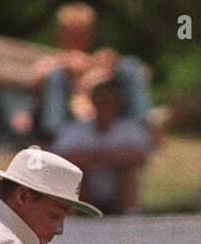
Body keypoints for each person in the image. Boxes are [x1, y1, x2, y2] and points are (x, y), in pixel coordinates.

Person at [0, 2, 153, 146]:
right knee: (55, 76)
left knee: (129, 65)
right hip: (60, 120)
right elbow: (27, 83)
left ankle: (140, 129)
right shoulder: (51, 62)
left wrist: (108, 67)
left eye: (81, 33)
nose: (76, 39)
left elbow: (144, 74)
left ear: (90, 34)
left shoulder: (100, 60)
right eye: (70, 34)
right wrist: (65, 65)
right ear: (59, 34)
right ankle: (56, 136)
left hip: (97, 115)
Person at [53, 80, 153, 215]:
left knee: (128, 172)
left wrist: (94, 157)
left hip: (117, 191)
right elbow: (61, 158)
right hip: (88, 190)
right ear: (93, 103)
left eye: (109, 101)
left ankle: (129, 213)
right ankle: (82, 213)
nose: (105, 105)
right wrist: (111, 156)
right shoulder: (76, 129)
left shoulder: (131, 128)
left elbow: (140, 157)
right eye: (101, 101)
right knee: (79, 172)